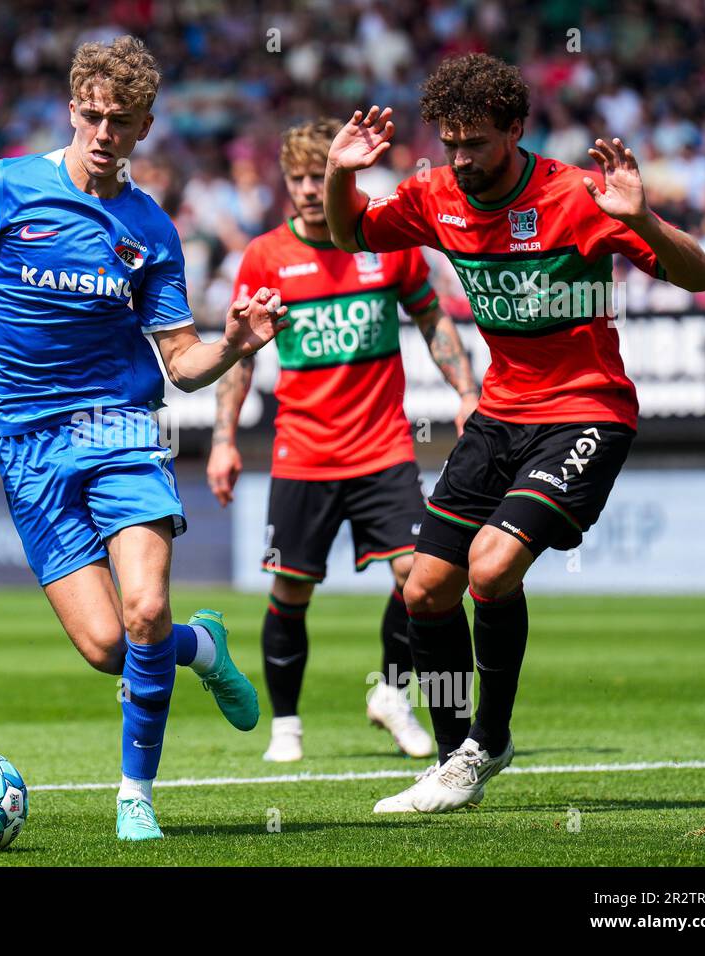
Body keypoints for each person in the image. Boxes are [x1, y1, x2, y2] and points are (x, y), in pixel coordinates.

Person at [0, 36, 287, 840]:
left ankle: (135, 796)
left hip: (121, 431)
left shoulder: (150, 228)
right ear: (71, 108)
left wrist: (237, 344)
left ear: (145, 126)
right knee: (111, 645)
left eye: (121, 120)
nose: (103, 131)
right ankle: (204, 651)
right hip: (25, 442)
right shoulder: (6, 186)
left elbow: (182, 362)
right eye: (91, 115)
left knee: (145, 608)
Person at [322, 53, 705, 812]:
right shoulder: (435, 194)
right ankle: (452, 756)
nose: (460, 159)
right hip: (501, 413)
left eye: (476, 142)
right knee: (427, 589)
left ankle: (487, 742)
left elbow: (698, 276)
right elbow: (350, 237)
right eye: (450, 143)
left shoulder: (578, 196)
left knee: (491, 568)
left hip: (585, 411)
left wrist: (643, 222)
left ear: (516, 129)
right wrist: (343, 175)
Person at [207, 118, 479, 763]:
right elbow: (242, 357)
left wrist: (468, 392)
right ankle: (287, 726)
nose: (307, 189)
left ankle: (392, 693)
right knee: (291, 590)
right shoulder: (265, 256)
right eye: (297, 178)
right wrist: (223, 438)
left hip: (383, 446)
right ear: (286, 182)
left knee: (421, 576)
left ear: (345, 174)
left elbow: (432, 318)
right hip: (302, 450)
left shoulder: (387, 244)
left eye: (318, 176)